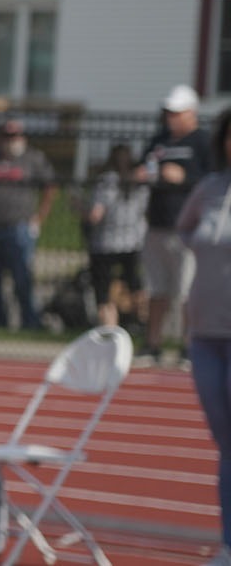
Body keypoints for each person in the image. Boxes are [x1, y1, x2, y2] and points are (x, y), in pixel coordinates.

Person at [178, 107, 231, 566]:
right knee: (226, 442)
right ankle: (229, 542)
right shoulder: (209, 190)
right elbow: (184, 231)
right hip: (205, 332)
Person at [139, 84, 215, 365]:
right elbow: (143, 165)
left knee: (186, 292)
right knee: (156, 290)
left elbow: (212, 180)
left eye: (176, 112)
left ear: (191, 113)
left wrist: (182, 177)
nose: (170, 117)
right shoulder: (159, 140)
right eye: (168, 112)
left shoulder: (203, 142)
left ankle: (188, 346)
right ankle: (152, 344)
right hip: (156, 223)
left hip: (187, 228)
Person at [0, 118, 56, 330]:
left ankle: (30, 322)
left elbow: (50, 186)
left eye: (16, 135)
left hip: (19, 228)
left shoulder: (32, 159)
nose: (11, 140)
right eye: (7, 136)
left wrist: (39, 217)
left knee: (22, 279)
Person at [84, 143, 148, 329]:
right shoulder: (140, 182)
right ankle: (142, 321)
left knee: (103, 288)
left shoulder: (107, 181)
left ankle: (109, 327)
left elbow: (95, 215)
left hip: (106, 242)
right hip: (133, 241)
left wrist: (80, 208)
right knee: (135, 283)